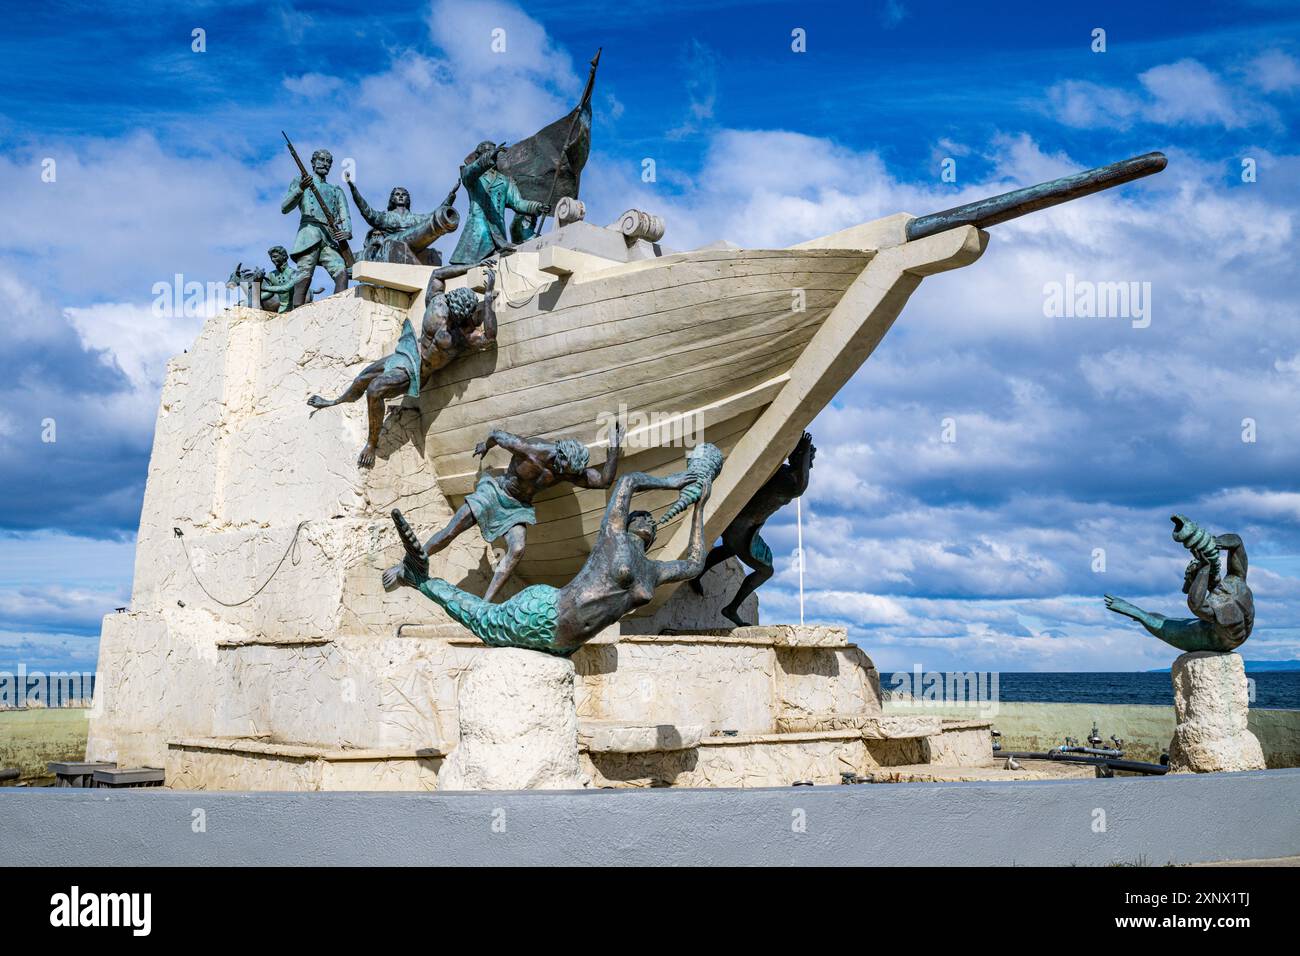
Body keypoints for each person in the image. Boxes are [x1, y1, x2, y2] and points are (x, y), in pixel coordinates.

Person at [383, 467, 712, 656]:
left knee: (485, 620)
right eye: (642, 517)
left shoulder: (652, 572)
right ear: (627, 524)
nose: (650, 522)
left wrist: (699, 507)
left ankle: (417, 578)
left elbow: (695, 564)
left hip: (563, 643)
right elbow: (627, 481)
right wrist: (673, 482)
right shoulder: (614, 539)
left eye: (652, 523)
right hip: (545, 612)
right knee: (482, 618)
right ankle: (418, 580)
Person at [306, 264, 497, 467]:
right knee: (362, 377)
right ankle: (336, 401)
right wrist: (474, 266)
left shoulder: (463, 335)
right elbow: (437, 274)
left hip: (418, 371)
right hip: (408, 353)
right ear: (450, 304)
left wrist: (488, 299)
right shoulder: (438, 304)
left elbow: (490, 337)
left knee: (375, 389)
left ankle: (371, 444)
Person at [419, 423, 624, 602]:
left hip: (517, 508)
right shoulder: (531, 449)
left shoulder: (567, 470)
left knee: (517, 549)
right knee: (451, 531)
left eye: (571, 473)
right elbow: (497, 435)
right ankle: (411, 562)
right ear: (560, 457)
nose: (568, 476)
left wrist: (614, 448)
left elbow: (604, 482)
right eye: (567, 470)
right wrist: (485, 445)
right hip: (495, 492)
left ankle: (485, 604)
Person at [689, 432, 815, 626]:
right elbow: (802, 485)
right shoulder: (791, 483)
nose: (810, 464)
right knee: (766, 570)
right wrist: (805, 448)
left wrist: (803, 450)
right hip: (742, 526)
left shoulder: (780, 472)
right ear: (801, 459)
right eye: (809, 460)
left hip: (742, 524)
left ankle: (699, 572)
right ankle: (731, 609)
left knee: (732, 548)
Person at [1104, 520, 1254, 652]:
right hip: (1220, 641)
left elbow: (1237, 542)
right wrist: (1134, 611)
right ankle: (1139, 614)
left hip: (1229, 640)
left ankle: (1140, 615)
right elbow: (1195, 605)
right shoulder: (1217, 603)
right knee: (1160, 622)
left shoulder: (1234, 581)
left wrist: (1213, 543)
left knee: (1161, 623)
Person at [449, 141, 551, 265]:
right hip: (477, 231)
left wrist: (537, 207)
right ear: (479, 155)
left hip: (498, 235)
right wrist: (488, 157)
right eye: (487, 152)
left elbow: (518, 203)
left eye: (493, 152)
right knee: (467, 267)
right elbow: (469, 173)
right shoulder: (472, 176)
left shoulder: (505, 181)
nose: (492, 154)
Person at [281, 147, 352, 307]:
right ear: (313, 162)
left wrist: (347, 232)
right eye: (321, 160)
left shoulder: (335, 190)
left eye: (328, 162)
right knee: (304, 276)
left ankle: (338, 308)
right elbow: (285, 207)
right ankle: (296, 311)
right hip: (309, 235)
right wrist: (301, 188)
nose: (325, 164)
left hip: (329, 238)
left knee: (342, 272)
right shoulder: (300, 182)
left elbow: (345, 215)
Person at [351, 182, 460, 265]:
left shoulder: (415, 219)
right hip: (392, 246)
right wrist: (354, 190)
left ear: (408, 199)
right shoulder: (386, 217)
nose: (401, 196)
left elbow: (434, 216)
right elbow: (367, 212)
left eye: (404, 194)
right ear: (392, 199)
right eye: (397, 194)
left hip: (412, 248)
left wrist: (451, 196)